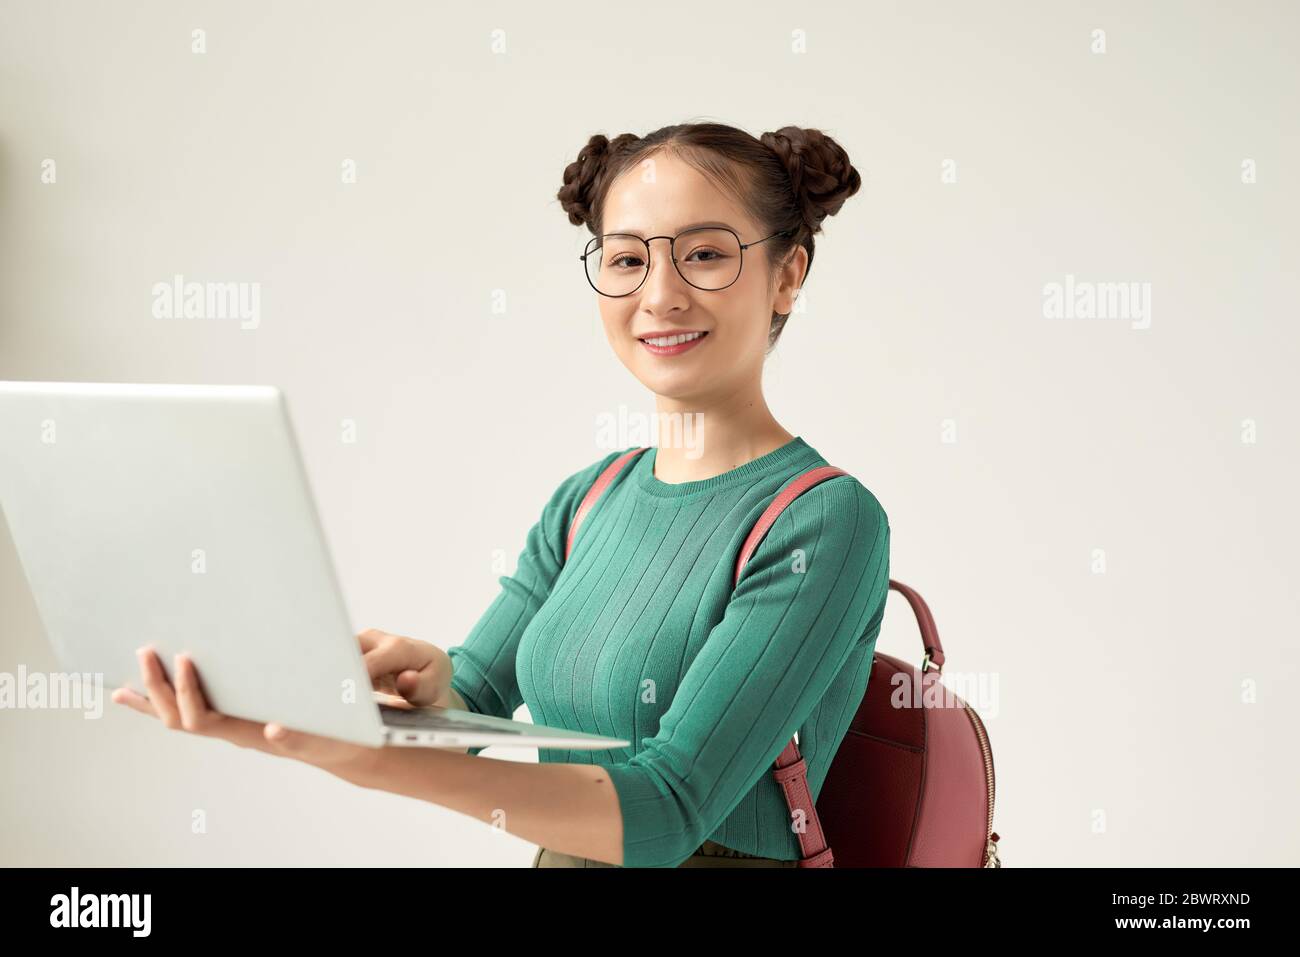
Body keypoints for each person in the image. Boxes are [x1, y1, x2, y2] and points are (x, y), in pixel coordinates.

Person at [113, 121, 890, 869]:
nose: (660, 296)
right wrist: (352, 698)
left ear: (787, 275)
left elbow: (669, 808)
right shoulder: (590, 500)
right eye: (626, 261)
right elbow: (472, 702)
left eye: (706, 254)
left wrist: (364, 761)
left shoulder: (825, 519)